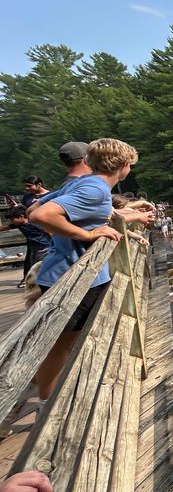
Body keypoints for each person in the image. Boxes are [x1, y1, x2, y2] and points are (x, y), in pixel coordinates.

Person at [28, 138, 137, 401]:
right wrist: (87, 235)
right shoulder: (96, 188)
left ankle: (58, 394)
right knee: (61, 344)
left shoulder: (83, 183)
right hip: (70, 274)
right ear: (123, 165)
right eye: (131, 165)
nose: (130, 169)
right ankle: (48, 402)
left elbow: (35, 205)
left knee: (68, 341)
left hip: (69, 271)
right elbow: (39, 215)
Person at [0, 206, 50, 288]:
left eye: (12, 219)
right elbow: (3, 228)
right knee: (34, 267)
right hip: (34, 249)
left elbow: (48, 232)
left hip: (45, 247)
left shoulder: (35, 223)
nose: (11, 221)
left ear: (21, 216)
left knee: (41, 267)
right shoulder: (18, 225)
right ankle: (38, 285)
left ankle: (45, 284)